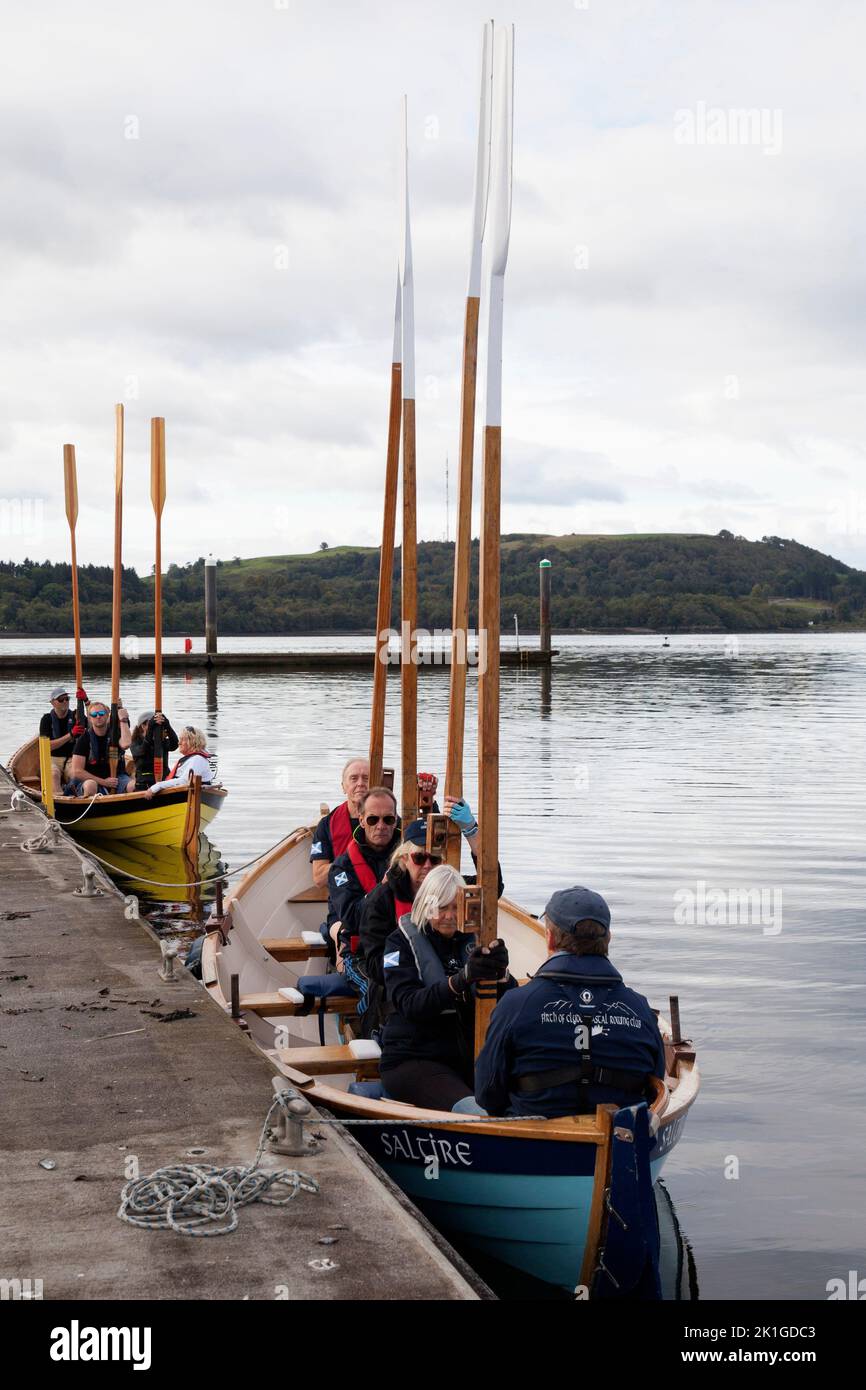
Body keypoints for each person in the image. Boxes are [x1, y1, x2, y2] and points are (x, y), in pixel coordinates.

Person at [474, 887, 666, 1119]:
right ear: (609, 939)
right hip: (621, 1139)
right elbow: (656, 1086)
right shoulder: (640, 1009)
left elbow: (486, 1094)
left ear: (550, 938)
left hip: (532, 1141)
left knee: (464, 1106)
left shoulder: (515, 1004)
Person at [379, 863, 515, 1113]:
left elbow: (509, 1006)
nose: (450, 916)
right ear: (425, 905)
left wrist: (502, 974)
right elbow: (410, 1005)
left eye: (456, 907)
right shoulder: (398, 945)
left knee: (520, 1099)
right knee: (475, 1112)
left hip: (468, 1055)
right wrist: (461, 979)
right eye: (442, 908)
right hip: (414, 1058)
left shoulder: (474, 940)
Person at [359, 796, 504, 1014]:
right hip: (397, 991)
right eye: (419, 858)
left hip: (456, 992)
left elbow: (493, 886)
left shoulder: (455, 890)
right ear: (405, 858)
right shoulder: (381, 899)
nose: (427, 866)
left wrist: (471, 830)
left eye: (434, 859)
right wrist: (417, 962)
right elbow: (375, 967)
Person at [309, 757, 370, 889]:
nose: (360, 783)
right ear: (343, 786)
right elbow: (319, 878)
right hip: (342, 900)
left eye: (366, 778)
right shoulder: (326, 825)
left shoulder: (389, 822)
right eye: (354, 778)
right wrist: (356, 860)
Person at [66, 700, 133, 797]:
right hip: (92, 779)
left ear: (107, 715)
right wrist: (104, 782)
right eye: (94, 714)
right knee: (90, 786)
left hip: (117, 778)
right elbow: (77, 771)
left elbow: (126, 744)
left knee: (133, 786)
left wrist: (123, 719)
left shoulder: (115, 734)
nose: (98, 716)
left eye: (101, 713)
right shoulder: (84, 739)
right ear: (89, 718)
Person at [145, 727, 213, 796]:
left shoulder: (197, 759)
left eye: (183, 740)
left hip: (190, 795)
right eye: (180, 739)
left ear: (193, 741)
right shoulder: (192, 759)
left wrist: (157, 786)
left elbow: (185, 781)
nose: (179, 743)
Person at [39, 686, 77, 794]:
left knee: (75, 774)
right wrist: (70, 735)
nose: (65, 701)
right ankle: (60, 800)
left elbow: (94, 723)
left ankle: (77, 797)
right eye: (61, 700)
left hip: (71, 758)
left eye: (67, 699)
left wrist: (86, 701)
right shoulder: (46, 719)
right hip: (52, 758)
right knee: (53, 774)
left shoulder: (75, 716)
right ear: (52, 703)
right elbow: (48, 746)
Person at [130, 711, 179, 791]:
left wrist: (167, 725)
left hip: (164, 782)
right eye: (152, 724)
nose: (156, 727)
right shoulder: (135, 743)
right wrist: (150, 730)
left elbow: (175, 745)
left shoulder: (161, 741)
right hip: (145, 785)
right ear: (143, 726)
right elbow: (143, 750)